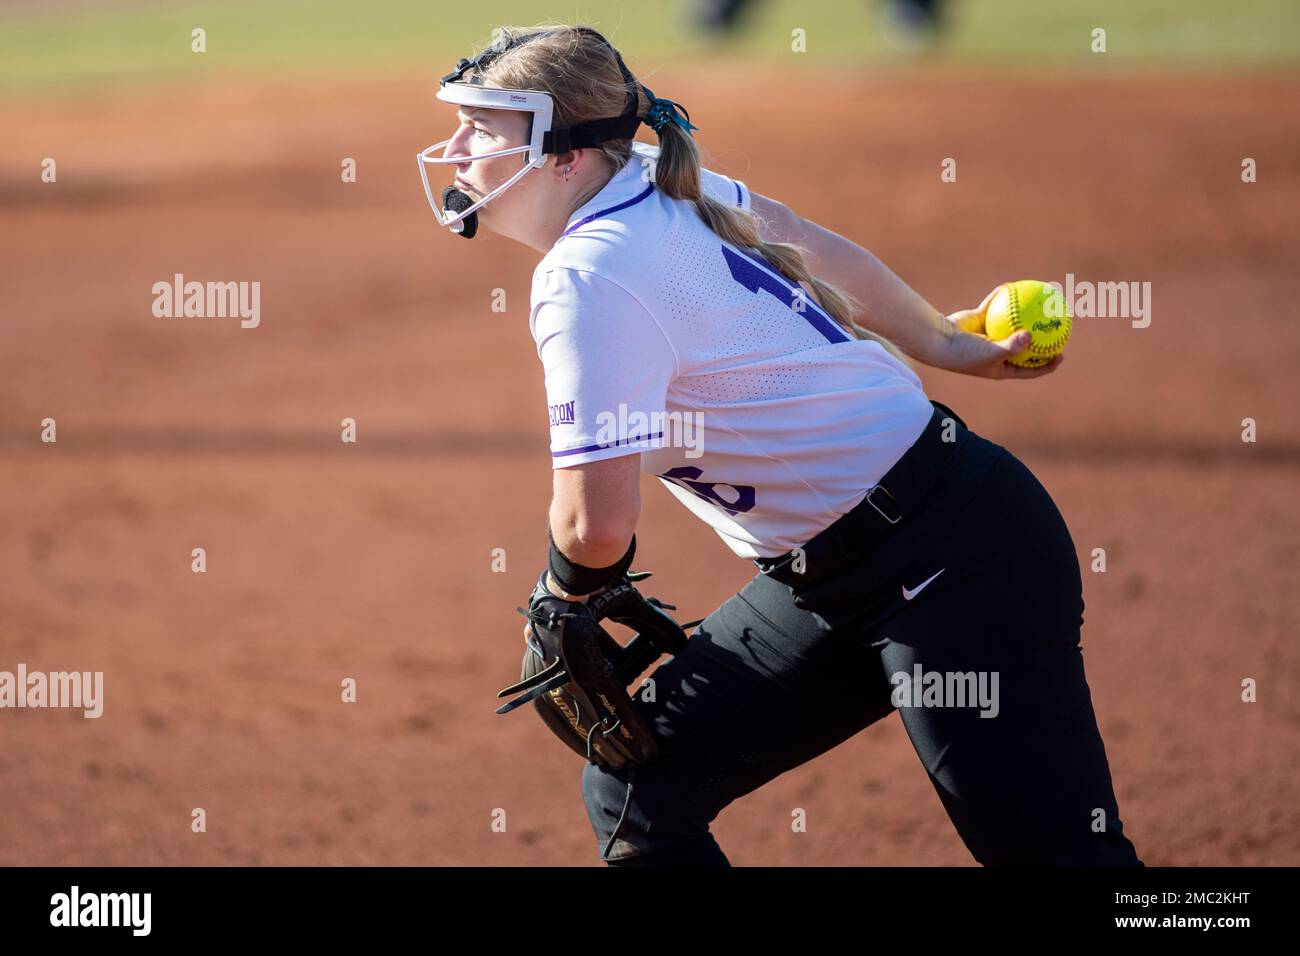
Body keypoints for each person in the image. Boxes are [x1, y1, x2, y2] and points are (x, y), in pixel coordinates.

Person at [416, 24, 1142, 867]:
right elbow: (809, 241)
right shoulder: (651, 179)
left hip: (959, 563)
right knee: (639, 794)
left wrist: (563, 596)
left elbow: (596, 528)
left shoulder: (585, 275)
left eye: (484, 126)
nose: (457, 146)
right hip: (836, 577)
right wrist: (947, 344)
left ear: (563, 155)